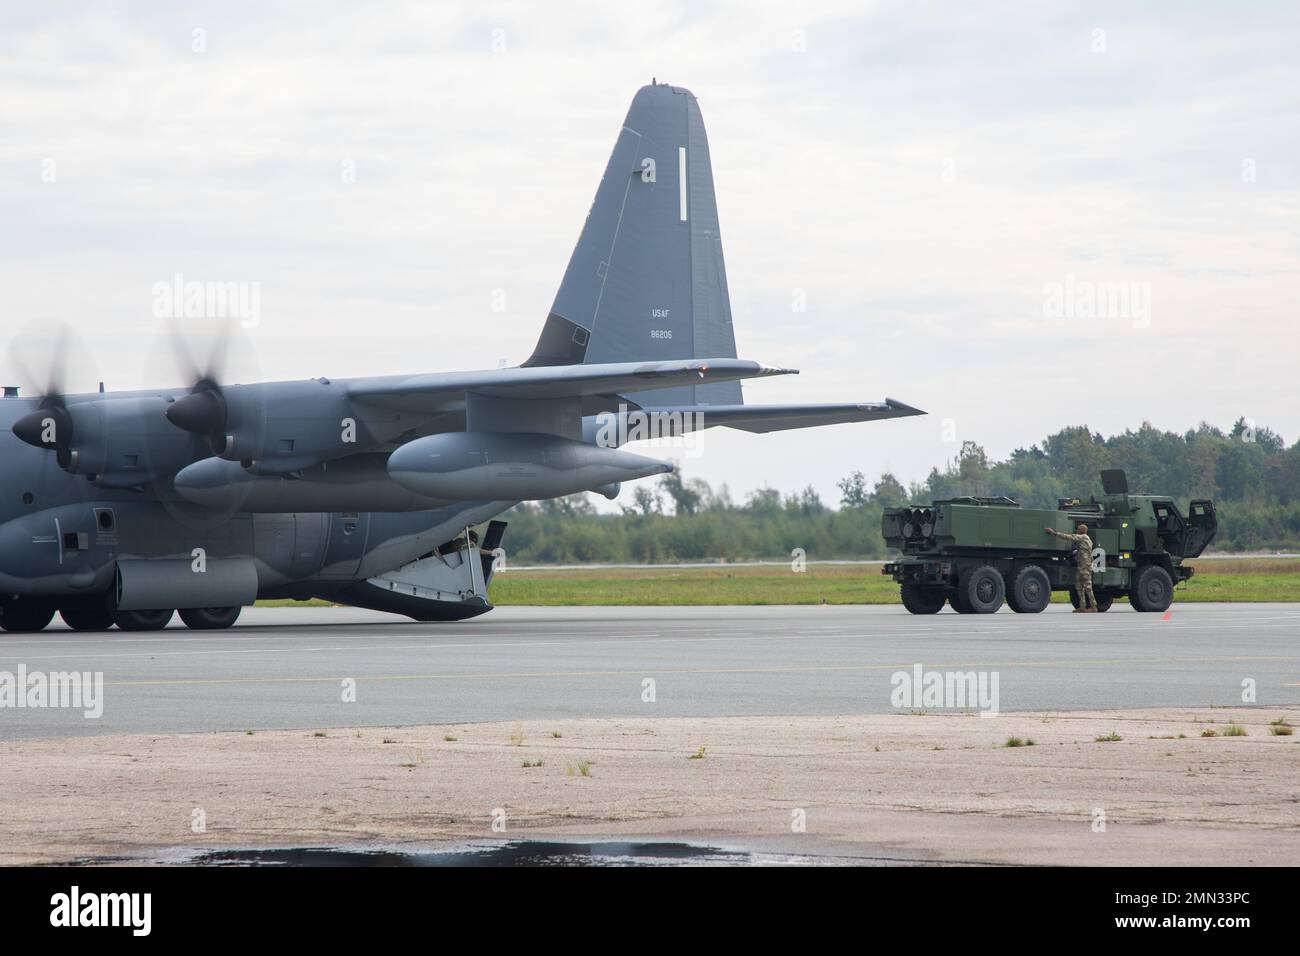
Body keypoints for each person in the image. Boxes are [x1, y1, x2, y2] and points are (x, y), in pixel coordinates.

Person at [1045, 522, 1097, 612]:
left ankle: (1093, 606)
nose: (1077, 530)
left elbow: (1069, 537)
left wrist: (1054, 533)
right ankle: (1082, 606)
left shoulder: (1083, 537)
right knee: (1078, 586)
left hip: (1085, 565)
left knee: (1087, 586)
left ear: (1083, 531)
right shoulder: (1085, 539)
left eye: (1079, 529)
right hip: (1082, 565)